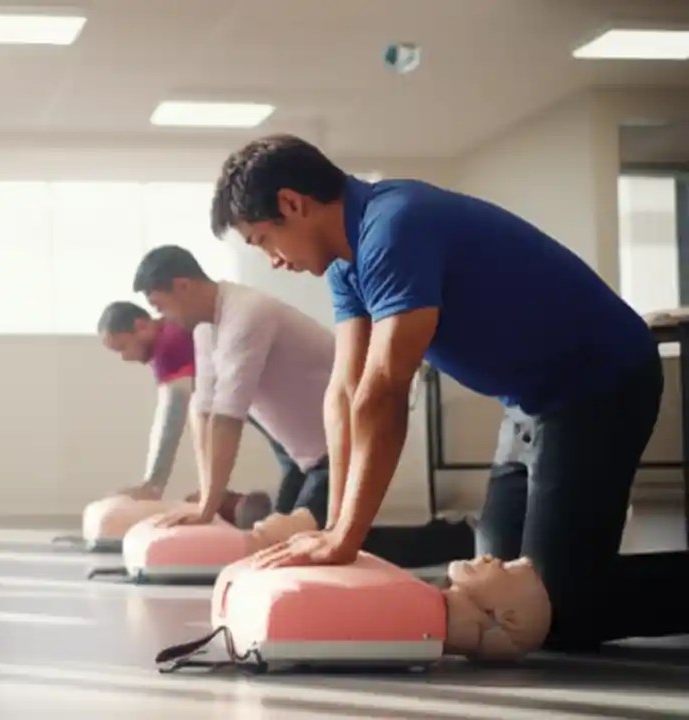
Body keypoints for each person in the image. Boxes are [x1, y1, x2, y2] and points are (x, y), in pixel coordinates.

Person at [213, 133, 689, 649]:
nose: (273, 260)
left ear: (291, 203)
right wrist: (333, 528)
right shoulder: (346, 260)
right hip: (527, 407)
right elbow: (347, 391)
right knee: (497, 593)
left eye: (262, 241)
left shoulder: (395, 225)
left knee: (551, 609)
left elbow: (384, 392)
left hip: (600, 387)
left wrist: (346, 538)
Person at [129, 245, 336, 530]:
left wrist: (207, 507)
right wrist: (206, 499)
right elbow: (203, 410)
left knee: (279, 539)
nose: (164, 318)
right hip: (305, 458)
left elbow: (228, 418)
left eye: (160, 306)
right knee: (266, 544)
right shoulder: (205, 328)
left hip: (341, 451)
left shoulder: (246, 313)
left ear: (183, 286)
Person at [96, 301, 196, 501]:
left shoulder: (168, 345)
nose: (125, 358)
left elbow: (170, 421)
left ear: (142, 326)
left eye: (124, 347)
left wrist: (153, 485)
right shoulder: (172, 329)